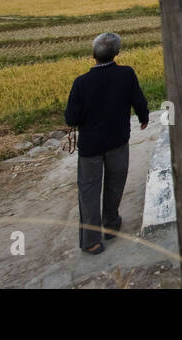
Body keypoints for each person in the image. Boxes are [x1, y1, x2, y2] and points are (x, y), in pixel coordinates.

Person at [64, 32, 149, 254]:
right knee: (115, 182)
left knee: (89, 191)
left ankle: (91, 241)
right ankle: (111, 225)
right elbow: (138, 99)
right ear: (117, 53)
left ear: (93, 55)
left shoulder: (81, 83)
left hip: (91, 146)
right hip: (118, 140)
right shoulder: (126, 74)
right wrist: (144, 117)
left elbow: (71, 118)